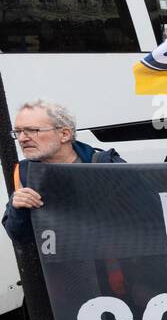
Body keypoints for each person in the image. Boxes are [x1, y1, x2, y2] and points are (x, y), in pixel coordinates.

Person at [3, 100, 125, 245]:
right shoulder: (24, 172)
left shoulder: (106, 165)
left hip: (112, 264)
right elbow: (21, 239)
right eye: (18, 131)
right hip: (60, 266)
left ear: (64, 134)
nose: (22, 138)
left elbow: (145, 222)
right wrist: (18, 209)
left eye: (33, 130)